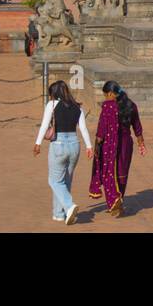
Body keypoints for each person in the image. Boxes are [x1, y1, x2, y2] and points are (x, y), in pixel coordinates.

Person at [34, 80, 93, 225]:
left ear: (54, 93)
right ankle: (59, 213)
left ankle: (69, 206)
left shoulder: (52, 105)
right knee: (65, 181)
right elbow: (83, 129)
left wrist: (38, 143)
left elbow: (44, 124)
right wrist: (89, 146)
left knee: (54, 180)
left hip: (59, 145)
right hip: (75, 144)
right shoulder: (78, 107)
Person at [88, 80, 145, 216]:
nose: (106, 98)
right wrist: (140, 143)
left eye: (106, 95)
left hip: (109, 145)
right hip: (126, 144)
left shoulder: (108, 107)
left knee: (108, 173)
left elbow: (101, 130)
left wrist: (97, 145)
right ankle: (119, 200)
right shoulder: (131, 105)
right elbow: (137, 126)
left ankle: (114, 201)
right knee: (121, 174)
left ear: (111, 94)